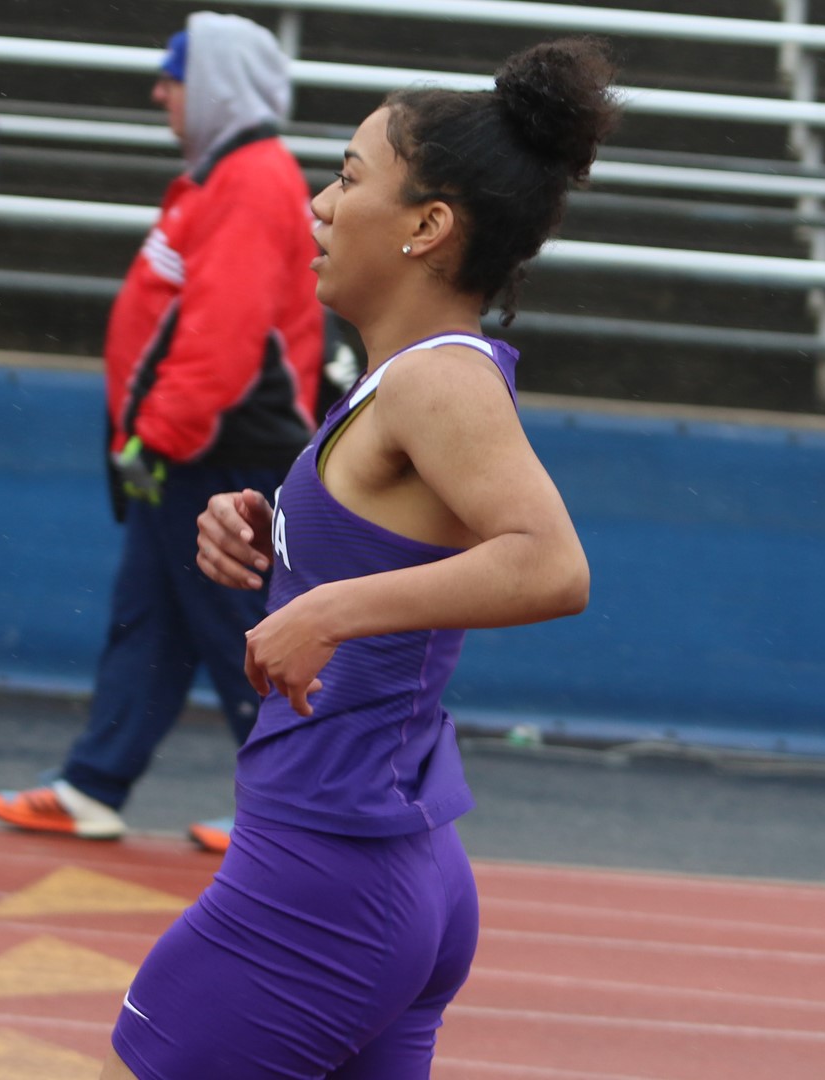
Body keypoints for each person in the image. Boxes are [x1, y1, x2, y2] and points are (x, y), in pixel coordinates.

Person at [99, 36, 615, 1080]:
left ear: (428, 227)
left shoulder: (438, 382)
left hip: (325, 872)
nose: (318, 206)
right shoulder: (395, 382)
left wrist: (331, 612)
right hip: (387, 860)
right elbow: (390, 537)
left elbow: (552, 565)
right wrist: (265, 536)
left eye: (345, 178)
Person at [0, 13, 323, 852]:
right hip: (188, 443)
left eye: (174, 75)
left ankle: (292, 804)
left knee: (237, 625)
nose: (159, 90)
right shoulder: (222, 177)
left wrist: (159, 433)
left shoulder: (248, 178)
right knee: (153, 621)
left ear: (211, 85)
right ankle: (95, 784)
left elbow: (224, 332)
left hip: (219, 446)